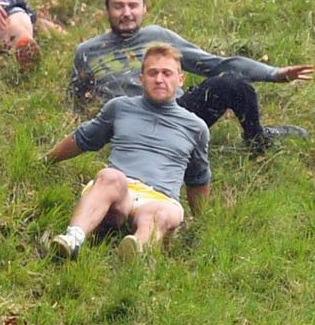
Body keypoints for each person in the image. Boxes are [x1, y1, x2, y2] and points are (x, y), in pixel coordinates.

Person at [68, 0, 312, 154]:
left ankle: (257, 139)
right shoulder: (87, 51)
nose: (126, 12)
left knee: (231, 83)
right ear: (107, 11)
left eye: (133, 6)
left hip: (178, 114)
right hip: (131, 125)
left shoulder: (158, 36)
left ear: (144, 9)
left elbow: (216, 64)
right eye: (118, 6)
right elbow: (76, 98)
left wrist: (274, 73)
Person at [45, 43, 210, 260]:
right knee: (109, 176)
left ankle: (137, 249)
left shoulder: (196, 127)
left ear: (180, 80)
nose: (159, 79)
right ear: (141, 79)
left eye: (167, 73)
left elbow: (198, 178)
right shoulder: (120, 108)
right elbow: (84, 138)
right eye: (152, 73)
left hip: (161, 199)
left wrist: (201, 221)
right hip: (120, 192)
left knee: (160, 213)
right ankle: (73, 238)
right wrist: (46, 161)